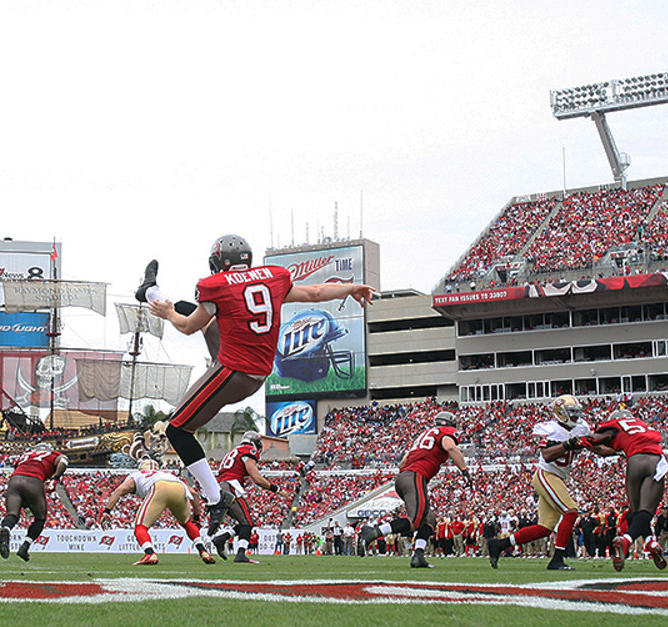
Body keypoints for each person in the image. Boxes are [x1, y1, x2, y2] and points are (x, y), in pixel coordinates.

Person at [142, 235, 374, 532]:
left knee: (177, 429)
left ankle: (215, 499)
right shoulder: (274, 278)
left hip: (231, 371)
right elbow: (316, 292)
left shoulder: (218, 286)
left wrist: (168, 313)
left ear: (219, 263)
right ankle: (150, 290)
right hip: (257, 375)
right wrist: (352, 287)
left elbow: (187, 327)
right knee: (204, 316)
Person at [488, 395, 589, 571]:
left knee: (544, 528)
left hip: (558, 478)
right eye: (571, 413)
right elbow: (548, 455)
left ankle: (499, 545)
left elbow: (593, 443)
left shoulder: (582, 428)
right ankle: (557, 559)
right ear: (561, 413)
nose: (576, 417)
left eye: (576, 413)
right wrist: (569, 444)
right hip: (546, 474)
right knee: (571, 511)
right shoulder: (551, 429)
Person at [361, 410, 471, 568]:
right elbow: (450, 447)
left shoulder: (424, 435)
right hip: (415, 476)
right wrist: (464, 471)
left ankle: (418, 555)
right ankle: (373, 532)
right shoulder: (446, 432)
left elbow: (403, 461)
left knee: (430, 520)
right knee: (415, 521)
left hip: (405, 477)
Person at [566, 408, 668, 571]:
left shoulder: (615, 425)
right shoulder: (642, 425)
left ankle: (642, 541)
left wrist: (575, 442)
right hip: (655, 460)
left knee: (637, 512)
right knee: (645, 512)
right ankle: (645, 541)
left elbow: (597, 441)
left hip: (634, 463)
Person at [101, 458, 215, 566]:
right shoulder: (168, 474)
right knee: (187, 523)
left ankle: (150, 553)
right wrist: (196, 517)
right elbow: (194, 494)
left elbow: (119, 490)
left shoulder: (137, 475)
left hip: (159, 487)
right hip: (179, 487)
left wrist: (107, 511)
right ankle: (203, 551)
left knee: (140, 527)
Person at [209, 431, 280, 564]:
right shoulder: (249, 450)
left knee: (244, 522)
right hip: (230, 487)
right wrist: (277, 489)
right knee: (247, 522)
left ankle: (221, 539)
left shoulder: (235, 451)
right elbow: (257, 478)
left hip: (221, 487)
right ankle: (240, 554)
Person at [0, 442, 68, 562]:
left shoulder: (26, 455)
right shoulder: (52, 454)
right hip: (33, 481)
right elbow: (64, 461)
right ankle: (25, 547)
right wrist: (55, 477)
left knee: (12, 514)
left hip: (14, 480)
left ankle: (6, 528)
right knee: (40, 518)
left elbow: (18, 468)